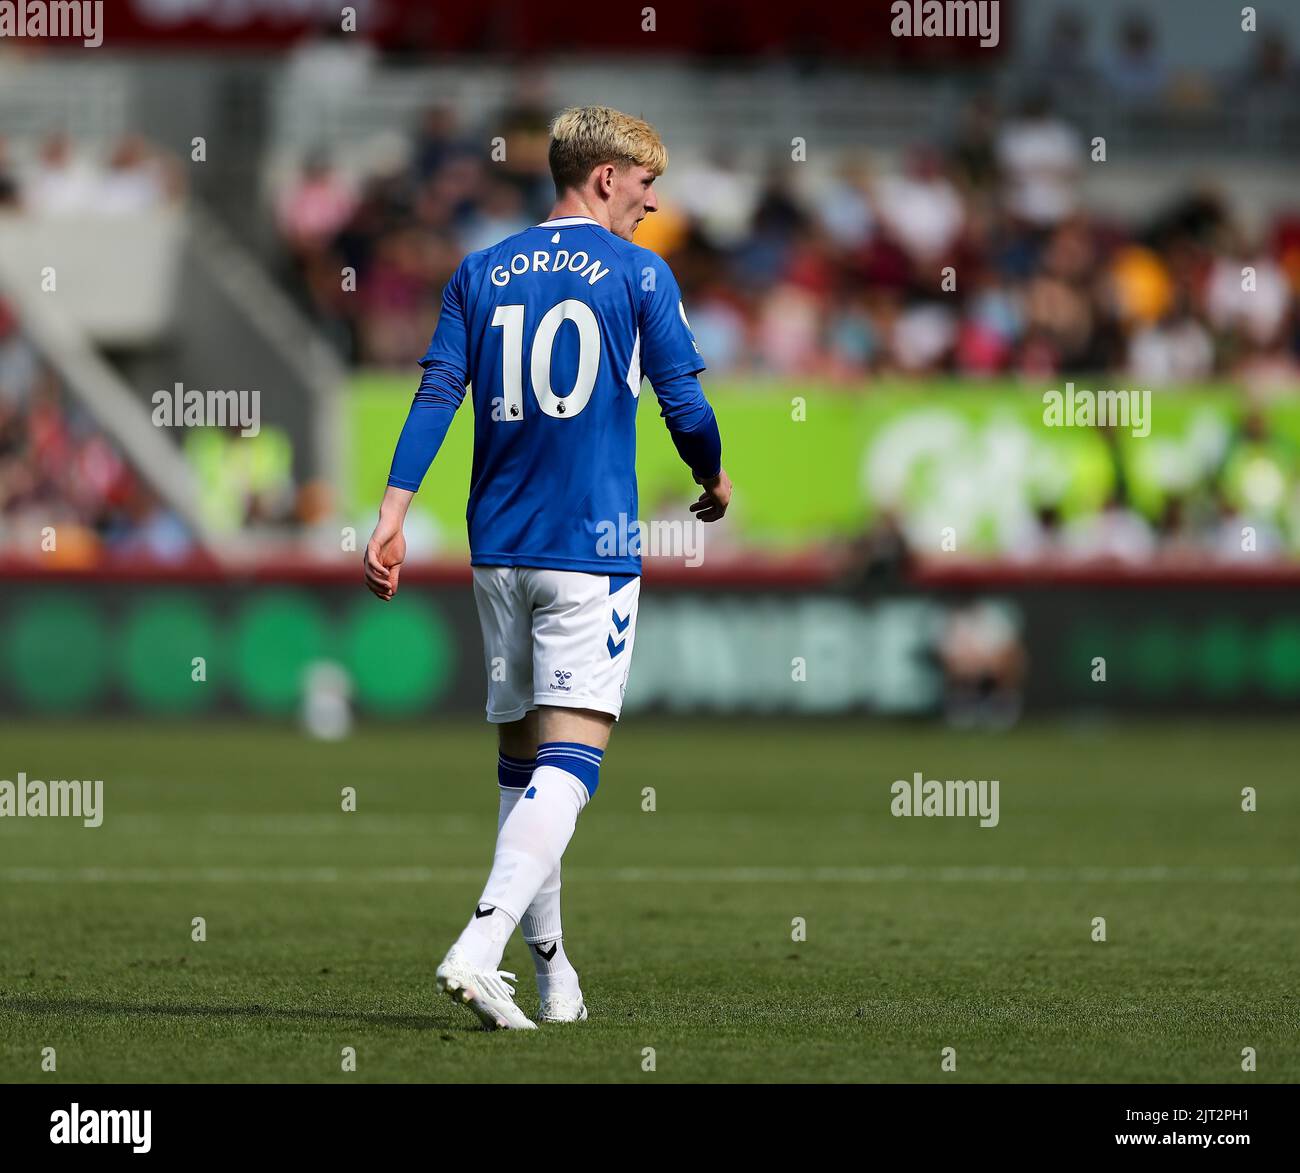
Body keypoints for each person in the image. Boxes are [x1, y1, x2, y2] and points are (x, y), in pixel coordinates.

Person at [363, 106, 732, 1029]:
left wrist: (393, 512)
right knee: (572, 764)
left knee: (522, 767)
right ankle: (479, 945)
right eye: (646, 186)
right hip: (591, 549)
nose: (653, 206)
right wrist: (711, 473)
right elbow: (682, 398)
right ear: (605, 177)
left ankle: (553, 970)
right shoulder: (640, 273)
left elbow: (438, 390)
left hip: (498, 552)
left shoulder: (480, 269)